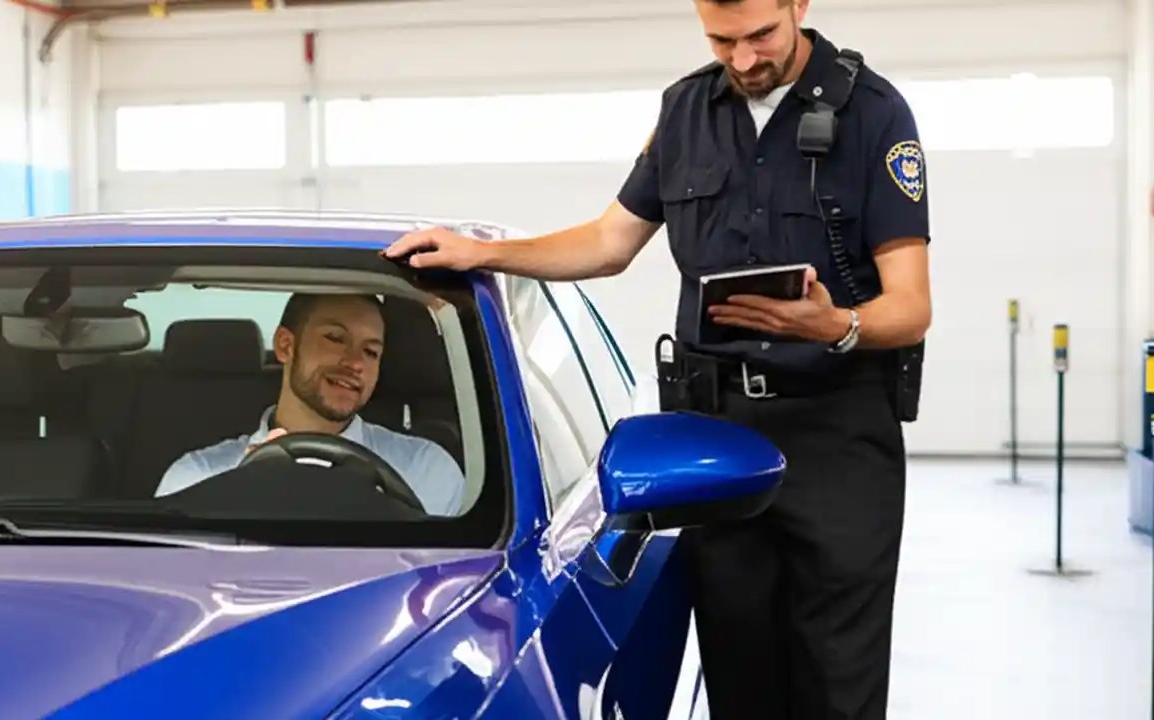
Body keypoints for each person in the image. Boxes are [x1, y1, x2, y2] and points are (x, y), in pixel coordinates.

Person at [382, 0, 931, 717]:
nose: (741, 59)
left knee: (839, 677)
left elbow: (911, 306)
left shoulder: (877, 115)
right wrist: (487, 252)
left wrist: (835, 323)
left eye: (760, 36)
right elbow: (611, 242)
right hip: (714, 436)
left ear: (799, 6)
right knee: (737, 664)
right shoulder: (685, 112)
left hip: (838, 433)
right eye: (721, 39)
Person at [155, 292, 468, 517]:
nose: (355, 363)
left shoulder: (428, 470)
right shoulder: (197, 477)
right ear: (285, 345)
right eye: (335, 338)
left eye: (371, 352)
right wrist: (237, 491)